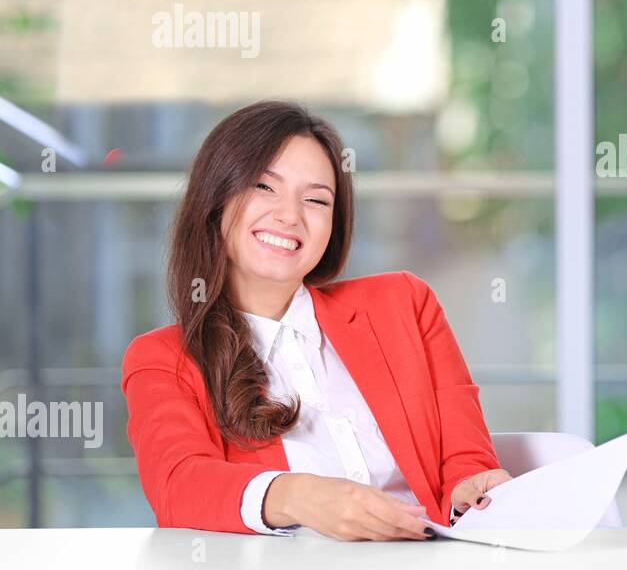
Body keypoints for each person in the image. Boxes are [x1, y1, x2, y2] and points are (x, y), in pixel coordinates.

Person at [122, 100, 510, 540]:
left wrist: (470, 488)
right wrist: (299, 496)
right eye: (264, 188)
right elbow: (178, 486)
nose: (290, 215)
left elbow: (464, 459)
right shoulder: (162, 359)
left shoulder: (405, 304)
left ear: (333, 227)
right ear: (215, 200)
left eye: (315, 199)